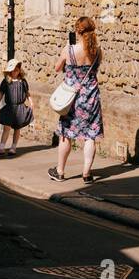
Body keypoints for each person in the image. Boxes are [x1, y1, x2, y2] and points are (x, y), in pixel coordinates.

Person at [49, 17, 104, 184]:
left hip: (72, 98)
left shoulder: (70, 50)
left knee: (66, 134)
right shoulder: (98, 51)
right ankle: (86, 174)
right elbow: (95, 68)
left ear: (77, 31)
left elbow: (57, 68)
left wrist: (65, 51)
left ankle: (60, 171)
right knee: (90, 136)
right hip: (91, 97)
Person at [0, 59, 34, 156]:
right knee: (7, 127)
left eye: (17, 69)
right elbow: (1, 93)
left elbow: (27, 93)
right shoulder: (6, 81)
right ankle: (1, 147)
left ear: (19, 70)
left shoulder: (22, 82)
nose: (15, 71)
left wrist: (31, 102)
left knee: (17, 128)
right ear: (10, 71)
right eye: (13, 70)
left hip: (20, 107)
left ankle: (13, 147)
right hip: (10, 108)